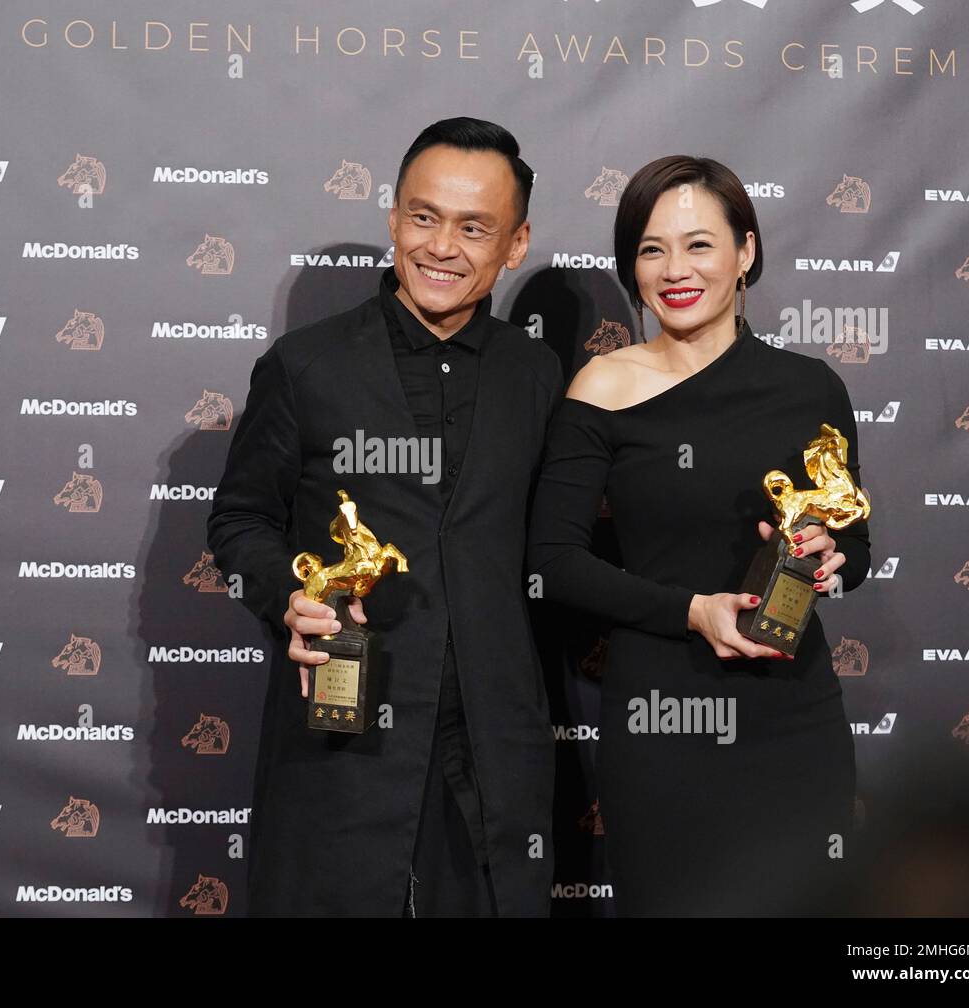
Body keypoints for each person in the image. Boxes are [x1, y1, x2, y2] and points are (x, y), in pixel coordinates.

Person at [207, 118, 563, 916]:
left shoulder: (538, 376)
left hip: (492, 743)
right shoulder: (305, 365)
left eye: (475, 228)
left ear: (516, 243)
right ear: (393, 218)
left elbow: (561, 546)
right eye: (423, 216)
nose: (442, 246)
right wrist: (284, 594)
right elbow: (238, 520)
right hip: (339, 732)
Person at [526, 155, 872, 916]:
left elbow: (858, 549)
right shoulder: (603, 387)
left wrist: (829, 558)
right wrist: (693, 610)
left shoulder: (811, 387)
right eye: (652, 249)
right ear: (631, 268)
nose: (675, 269)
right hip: (662, 723)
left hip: (794, 718)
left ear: (745, 252)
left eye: (699, 244)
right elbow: (553, 563)